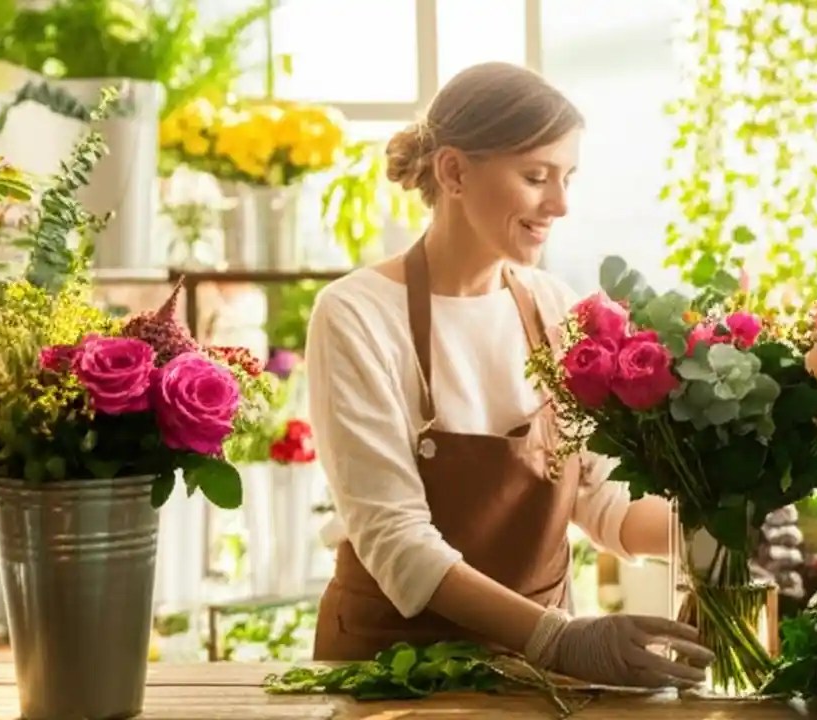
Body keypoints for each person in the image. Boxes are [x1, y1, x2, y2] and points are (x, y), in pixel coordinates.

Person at [305, 61, 712, 688]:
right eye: (536, 177)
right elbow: (396, 538)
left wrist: (715, 521)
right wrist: (557, 638)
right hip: (392, 672)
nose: (561, 204)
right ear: (454, 171)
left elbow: (603, 502)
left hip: (536, 681)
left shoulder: (555, 309)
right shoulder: (356, 314)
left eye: (568, 178)